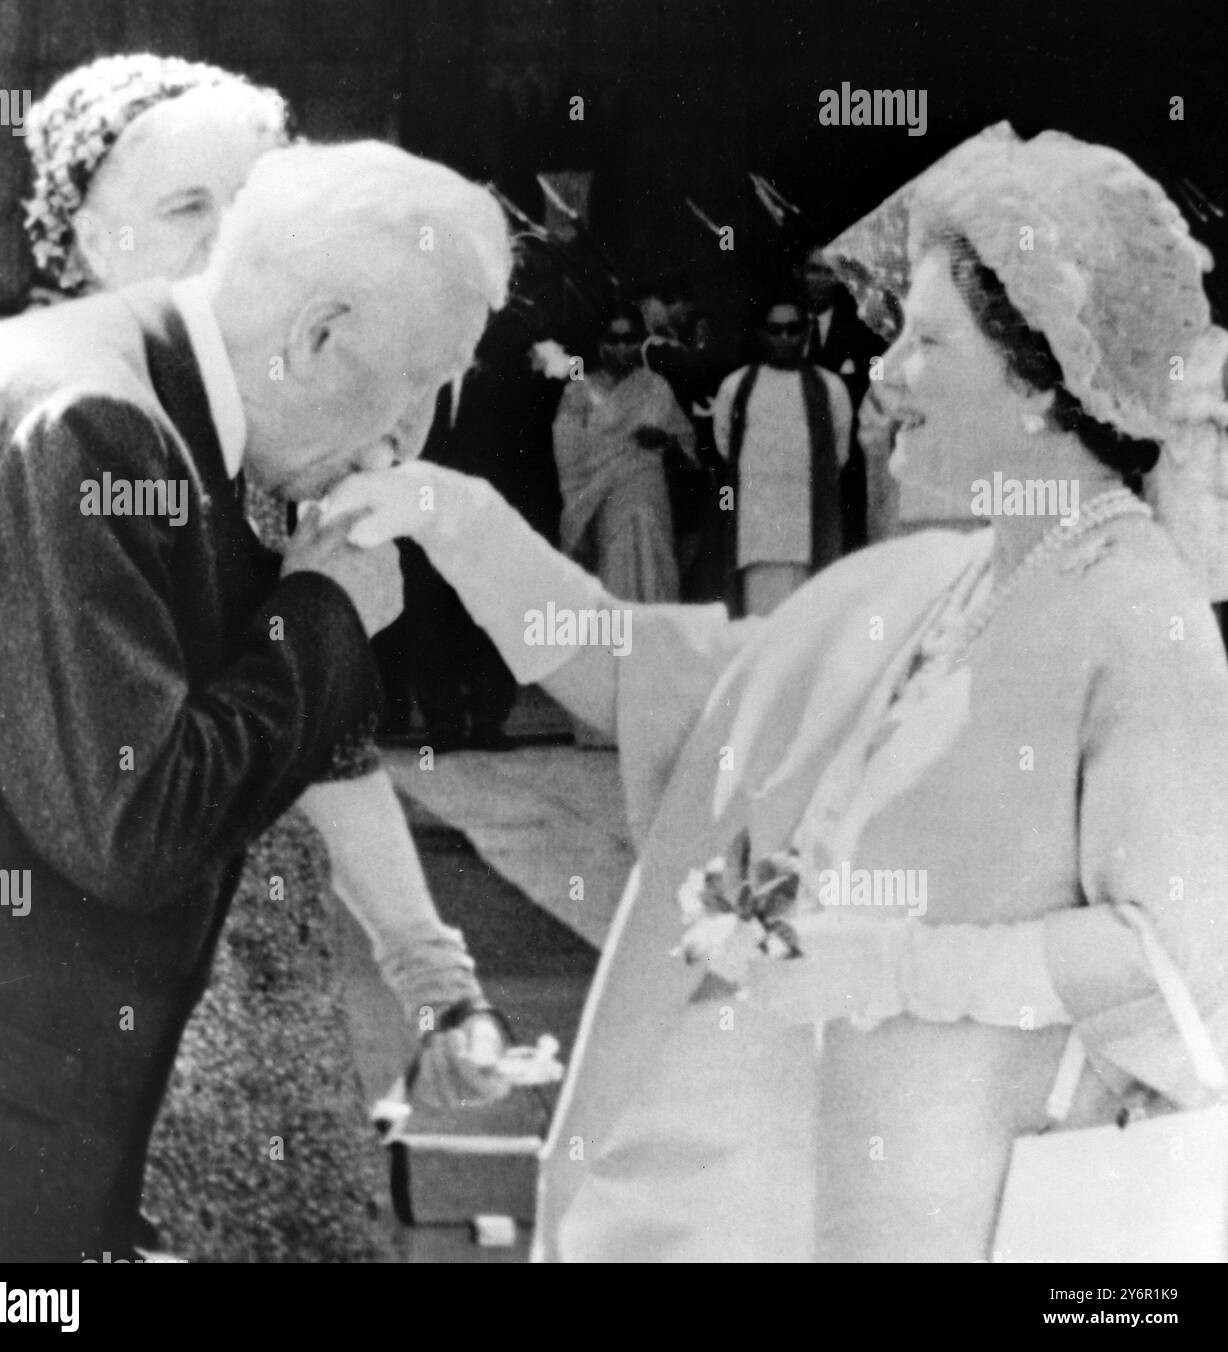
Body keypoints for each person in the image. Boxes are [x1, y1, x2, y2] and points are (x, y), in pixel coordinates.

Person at [331, 122, 1228, 1262]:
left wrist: (895, 962)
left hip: (981, 1221)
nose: (887, 373)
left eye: (926, 341)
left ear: (1044, 386)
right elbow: (648, 677)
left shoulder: (1142, 621)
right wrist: (447, 519)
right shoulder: (929, 578)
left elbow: (1183, 973)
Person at [0, 138, 513, 1261]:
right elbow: (134, 825)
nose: (410, 439)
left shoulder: (157, 406)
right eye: (425, 380)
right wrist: (327, 610)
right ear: (319, 334)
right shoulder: (91, 422)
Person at [712, 297, 854, 614]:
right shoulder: (736, 386)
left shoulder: (830, 387)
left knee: (807, 622)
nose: (785, 337)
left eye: (793, 329)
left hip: (808, 529)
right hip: (757, 533)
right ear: (762, 334)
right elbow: (725, 445)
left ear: (806, 333)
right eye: (775, 330)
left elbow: (838, 453)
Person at [551, 301, 695, 604]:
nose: (621, 348)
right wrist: (604, 460)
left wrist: (665, 441)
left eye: (629, 339)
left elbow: (687, 445)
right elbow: (568, 454)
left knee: (656, 571)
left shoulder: (657, 387)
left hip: (650, 494)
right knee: (615, 575)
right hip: (605, 501)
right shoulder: (579, 391)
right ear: (600, 344)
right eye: (613, 340)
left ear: (639, 341)